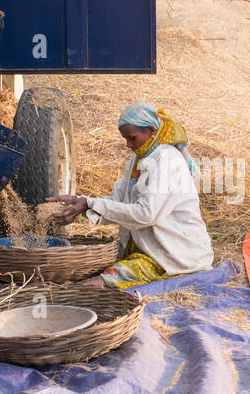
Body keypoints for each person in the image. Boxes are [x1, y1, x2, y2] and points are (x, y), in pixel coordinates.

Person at [50, 104, 214, 289]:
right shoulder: (139, 158)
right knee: (94, 271)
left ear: (151, 131)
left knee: (104, 280)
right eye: (125, 139)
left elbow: (145, 214)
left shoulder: (168, 160)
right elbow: (118, 200)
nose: (128, 145)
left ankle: (58, 294)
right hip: (149, 248)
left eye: (132, 138)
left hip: (175, 254)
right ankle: (61, 290)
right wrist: (82, 202)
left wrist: (90, 203)